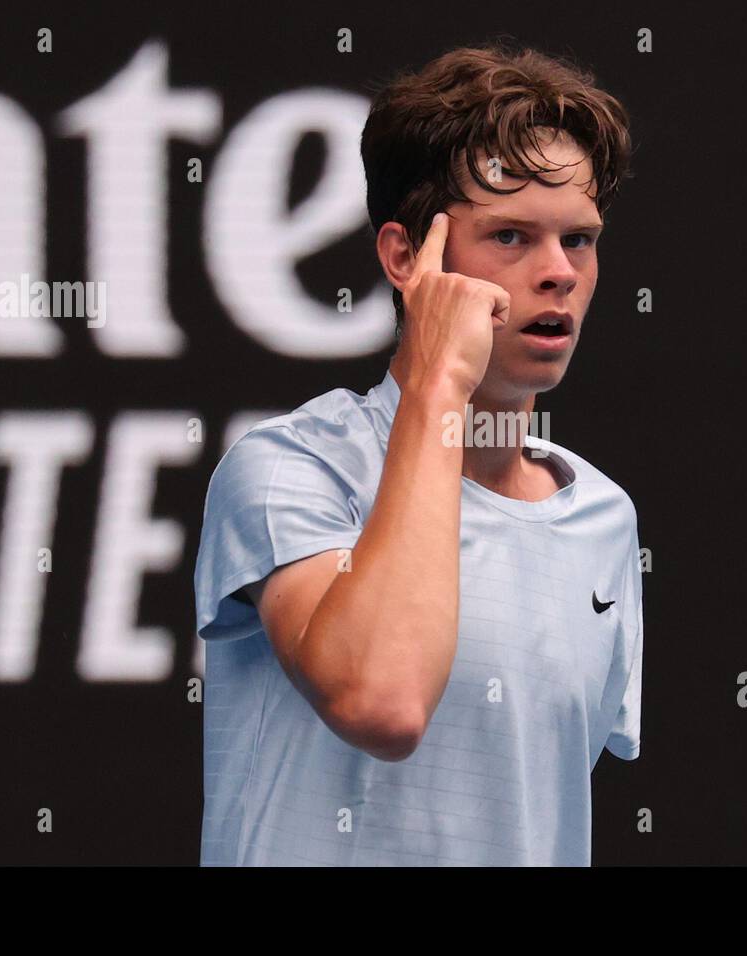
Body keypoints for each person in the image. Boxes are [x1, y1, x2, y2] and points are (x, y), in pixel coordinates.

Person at [193, 41, 641, 865]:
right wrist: (439, 385)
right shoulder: (289, 470)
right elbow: (384, 701)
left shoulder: (606, 521)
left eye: (578, 240)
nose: (558, 274)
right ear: (405, 259)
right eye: (511, 236)